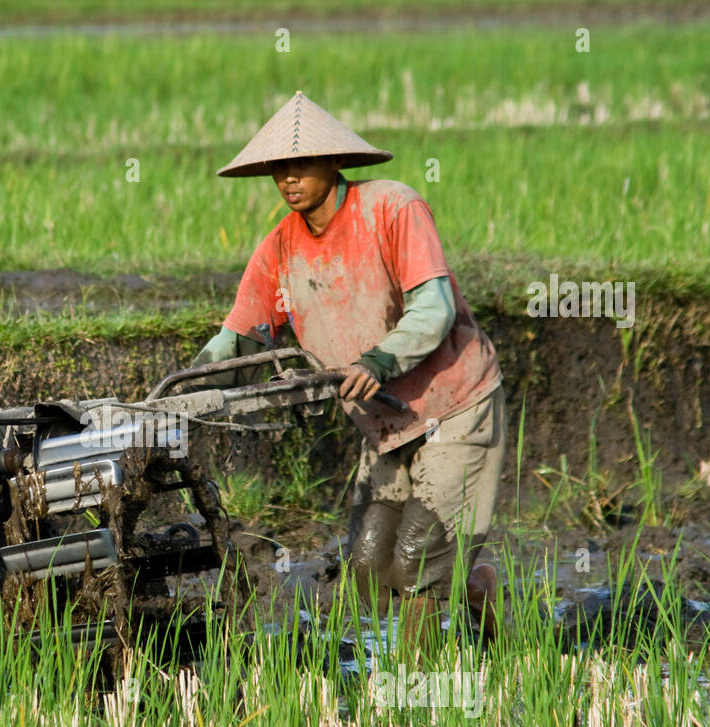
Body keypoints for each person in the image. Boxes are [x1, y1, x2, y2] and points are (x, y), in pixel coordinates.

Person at [193, 91, 505, 654]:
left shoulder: (392, 209)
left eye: (301, 165)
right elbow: (238, 338)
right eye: (279, 169)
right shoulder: (279, 251)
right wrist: (191, 385)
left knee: (416, 560)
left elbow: (433, 310)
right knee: (368, 567)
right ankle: (480, 591)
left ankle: (416, 694)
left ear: (333, 162)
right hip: (386, 425)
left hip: (455, 404)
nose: (289, 179)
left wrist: (378, 362)